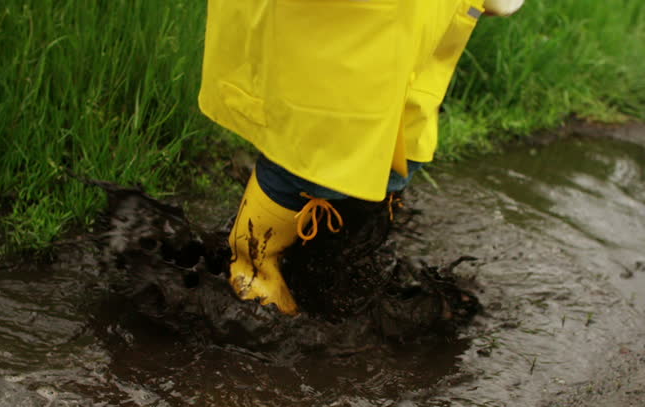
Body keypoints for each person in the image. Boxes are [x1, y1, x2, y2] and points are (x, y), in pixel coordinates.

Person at [199, 0, 524, 315]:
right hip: (339, 21)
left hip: (424, 18)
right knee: (313, 143)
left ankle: (337, 261)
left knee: (402, 144)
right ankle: (253, 270)